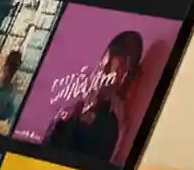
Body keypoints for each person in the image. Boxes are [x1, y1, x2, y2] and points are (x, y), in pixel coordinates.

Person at [44, 31, 144, 162]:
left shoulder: (109, 120)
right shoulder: (91, 103)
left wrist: (73, 119)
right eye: (104, 65)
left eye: (111, 68)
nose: (103, 72)